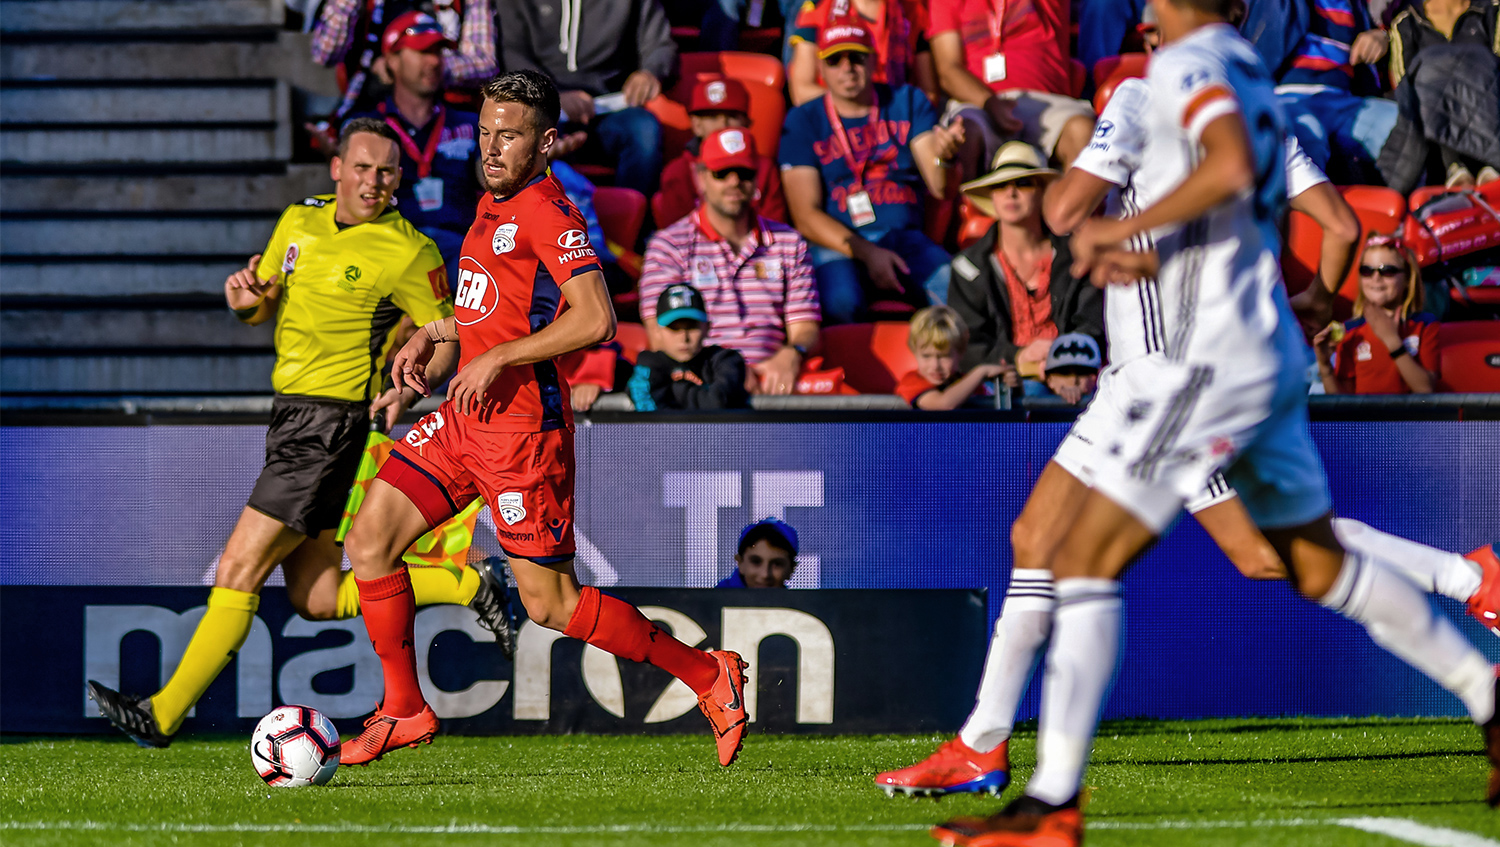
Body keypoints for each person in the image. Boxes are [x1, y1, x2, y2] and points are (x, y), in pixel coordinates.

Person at [914, 3, 1499, 839]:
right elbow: (1323, 220)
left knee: (1103, 558)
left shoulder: (1167, 80)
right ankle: (1483, 673)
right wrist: (1313, 299)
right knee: (1078, 542)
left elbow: (1121, 195)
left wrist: (1115, 221)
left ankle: (1050, 805)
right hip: (1227, 352)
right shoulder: (1251, 77)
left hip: (1184, 366)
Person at [335, 71, 750, 768]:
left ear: (547, 142)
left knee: (552, 604)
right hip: (465, 421)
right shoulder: (491, 202)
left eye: (511, 135)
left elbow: (596, 318)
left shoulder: (546, 211)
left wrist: (498, 359)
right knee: (371, 538)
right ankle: (403, 707)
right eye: (487, 133)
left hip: (523, 433)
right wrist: (433, 340)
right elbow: (488, 314)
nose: (492, 148)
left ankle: (709, 673)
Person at [85, 119, 516, 748]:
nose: (375, 182)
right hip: (292, 416)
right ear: (337, 168)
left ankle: (163, 714)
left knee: (237, 569)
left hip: (329, 425)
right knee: (315, 597)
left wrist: (408, 384)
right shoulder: (299, 220)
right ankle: (469, 584)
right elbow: (263, 302)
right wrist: (244, 301)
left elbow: (450, 334)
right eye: (364, 168)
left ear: (401, 178)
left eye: (388, 172)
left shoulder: (410, 250)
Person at [779, 20, 965, 324]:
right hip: (838, 244)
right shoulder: (803, 120)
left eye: (856, 57)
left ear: (873, 60)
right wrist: (869, 253)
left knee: (958, 295)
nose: (847, 68)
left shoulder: (906, 100)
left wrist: (944, 159)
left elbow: (940, 187)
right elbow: (805, 216)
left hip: (905, 238)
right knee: (840, 303)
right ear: (820, 69)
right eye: (835, 60)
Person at [641, 128, 822, 396]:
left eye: (745, 173)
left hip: (773, 386)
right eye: (721, 173)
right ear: (700, 177)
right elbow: (661, 336)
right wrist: (728, 370)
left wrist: (793, 353)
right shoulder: (668, 246)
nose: (734, 182)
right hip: (701, 385)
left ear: (757, 177)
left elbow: (806, 327)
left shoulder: (790, 242)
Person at [947, 142, 1105, 397]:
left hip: (1076, 373)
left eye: (1023, 183)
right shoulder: (968, 267)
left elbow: (1092, 324)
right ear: (992, 197)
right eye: (1000, 185)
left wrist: (1065, 366)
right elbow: (968, 345)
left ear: (1043, 192)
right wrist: (1019, 359)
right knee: (1031, 392)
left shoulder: (1079, 255)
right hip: (1003, 380)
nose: (1010, 193)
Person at [346, 12, 482, 284]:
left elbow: (489, 178)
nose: (433, 61)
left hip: (462, 248)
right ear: (392, 61)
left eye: (438, 52)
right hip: (391, 247)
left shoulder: (472, 123)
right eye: (422, 51)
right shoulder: (365, 128)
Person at [500, 0, 677, 196]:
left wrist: (650, 72)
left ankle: (634, 219)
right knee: (523, 137)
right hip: (542, 107)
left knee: (645, 131)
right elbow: (511, 52)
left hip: (613, 106)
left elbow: (660, 46)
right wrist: (550, 96)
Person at [927, 0, 1097, 183]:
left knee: (1082, 131)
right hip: (978, 104)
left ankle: (1069, 210)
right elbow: (948, 70)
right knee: (963, 133)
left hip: (1047, 104)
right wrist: (990, 103)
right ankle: (972, 208)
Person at [310, 0, 498, 124]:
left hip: (448, 116)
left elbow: (485, 62)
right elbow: (325, 54)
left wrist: (421, 65)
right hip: (368, 105)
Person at [1274, 0, 1397, 179]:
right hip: (1289, 98)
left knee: (1401, 124)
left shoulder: (1357, 7)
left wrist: (1383, 36)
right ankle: (1309, 206)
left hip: (1344, 102)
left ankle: (1413, 204)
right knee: (1306, 136)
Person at [1385, 0, 1500, 188]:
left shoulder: (1491, 9)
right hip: (1437, 131)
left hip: (1489, 117)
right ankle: (1455, 167)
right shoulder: (1407, 22)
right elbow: (1404, 85)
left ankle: (1486, 165)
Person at [654, 77, 788, 229]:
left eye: (732, 117)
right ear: (696, 125)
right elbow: (676, 236)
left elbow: (776, 229)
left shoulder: (764, 168)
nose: (722, 125)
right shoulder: (679, 171)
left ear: (747, 123)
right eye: (712, 117)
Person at [1315, 235, 1441, 395]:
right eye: (1366, 271)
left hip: (1410, 420)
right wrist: (1325, 366)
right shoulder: (1350, 331)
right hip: (1366, 421)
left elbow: (1425, 390)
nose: (1376, 278)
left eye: (1387, 271)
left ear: (1408, 277)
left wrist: (1392, 341)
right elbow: (1341, 407)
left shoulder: (1425, 325)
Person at [787, 0, 937, 106]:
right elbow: (801, 91)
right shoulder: (819, 7)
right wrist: (855, 108)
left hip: (896, 123)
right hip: (833, 124)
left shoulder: (912, 9)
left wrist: (894, 113)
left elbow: (929, 94)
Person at [627, 283, 752, 410]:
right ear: (658, 331)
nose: (684, 338)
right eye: (674, 329)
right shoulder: (648, 364)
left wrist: (676, 390)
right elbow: (653, 417)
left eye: (691, 327)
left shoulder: (727, 360)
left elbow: (717, 405)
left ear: (707, 327)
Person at [895, 305, 1014, 410]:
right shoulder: (912, 382)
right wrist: (980, 371)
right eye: (926, 356)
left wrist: (1011, 385)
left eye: (944, 356)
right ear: (914, 352)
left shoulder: (969, 384)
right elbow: (943, 405)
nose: (935, 366)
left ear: (961, 352)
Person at [718, 518, 799, 587]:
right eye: (756, 562)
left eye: (777, 564)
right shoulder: (713, 602)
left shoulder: (800, 604)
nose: (765, 574)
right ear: (740, 563)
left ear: (792, 569)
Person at [1040, 332, 1101, 405]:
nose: (1073, 381)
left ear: (1095, 378)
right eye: (1065, 373)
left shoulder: (1110, 406)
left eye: (1081, 372)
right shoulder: (1031, 411)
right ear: (1049, 379)